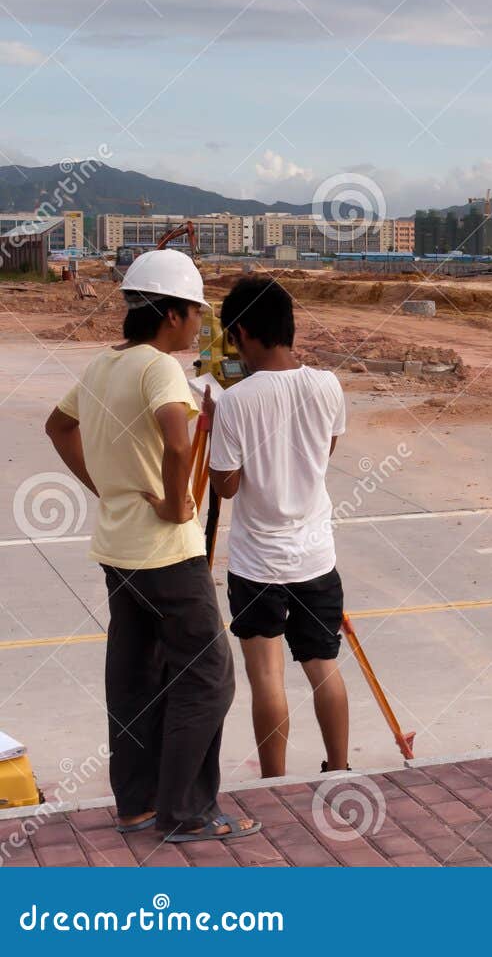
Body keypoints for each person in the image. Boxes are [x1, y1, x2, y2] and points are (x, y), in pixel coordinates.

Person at [44, 250, 259, 843]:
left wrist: (103, 486)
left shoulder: (101, 365)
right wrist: (172, 502)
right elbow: (176, 438)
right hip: (166, 553)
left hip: (118, 549)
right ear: (170, 314)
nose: (198, 325)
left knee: (137, 676)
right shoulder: (160, 368)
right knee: (209, 674)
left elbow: (57, 427)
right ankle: (187, 810)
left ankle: (137, 803)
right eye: (194, 313)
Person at [209, 275, 351, 778]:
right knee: (322, 666)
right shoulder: (328, 385)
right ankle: (338, 767)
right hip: (316, 556)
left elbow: (225, 488)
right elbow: (323, 455)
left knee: (266, 677)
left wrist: (218, 425)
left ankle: (274, 783)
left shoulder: (234, 402)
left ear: (244, 332)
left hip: (257, 562)